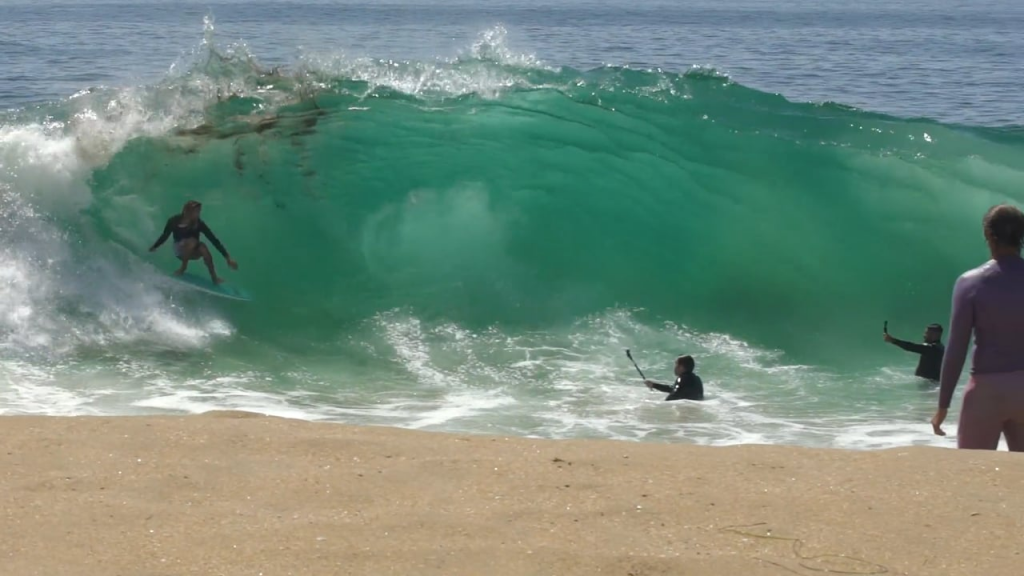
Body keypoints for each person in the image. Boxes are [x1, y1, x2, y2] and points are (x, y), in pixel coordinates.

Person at [932, 204, 1024, 450]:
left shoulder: (970, 283)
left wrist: (943, 406)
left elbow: (956, 348)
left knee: (975, 469)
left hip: (986, 394)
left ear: (988, 235)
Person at [149, 200, 238, 284]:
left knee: (203, 247)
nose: (198, 214)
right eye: (196, 212)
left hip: (193, 251)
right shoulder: (173, 221)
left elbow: (213, 239)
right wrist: (154, 246)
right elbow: (165, 235)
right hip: (179, 250)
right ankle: (183, 268)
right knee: (192, 241)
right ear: (186, 211)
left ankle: (214, 278)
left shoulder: (198, 223)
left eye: (199, 211)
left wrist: (227, 258)